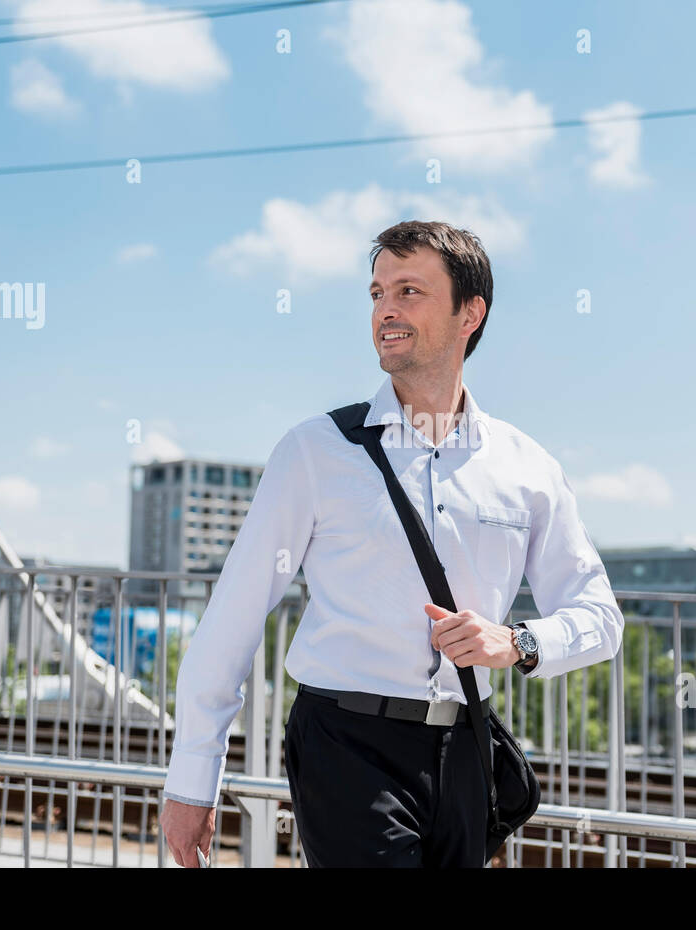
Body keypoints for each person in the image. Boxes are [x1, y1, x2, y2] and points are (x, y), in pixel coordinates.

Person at [160, 220, 624, 867]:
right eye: (377, 292)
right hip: (345, 742)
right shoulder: (315, 451)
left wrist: (516, 642)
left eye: (409, 290)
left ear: (471, 312)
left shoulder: (527, 467)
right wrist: (192, 777)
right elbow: (233, 616)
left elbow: (602, 617)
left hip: (466, 745)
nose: (386, 310)